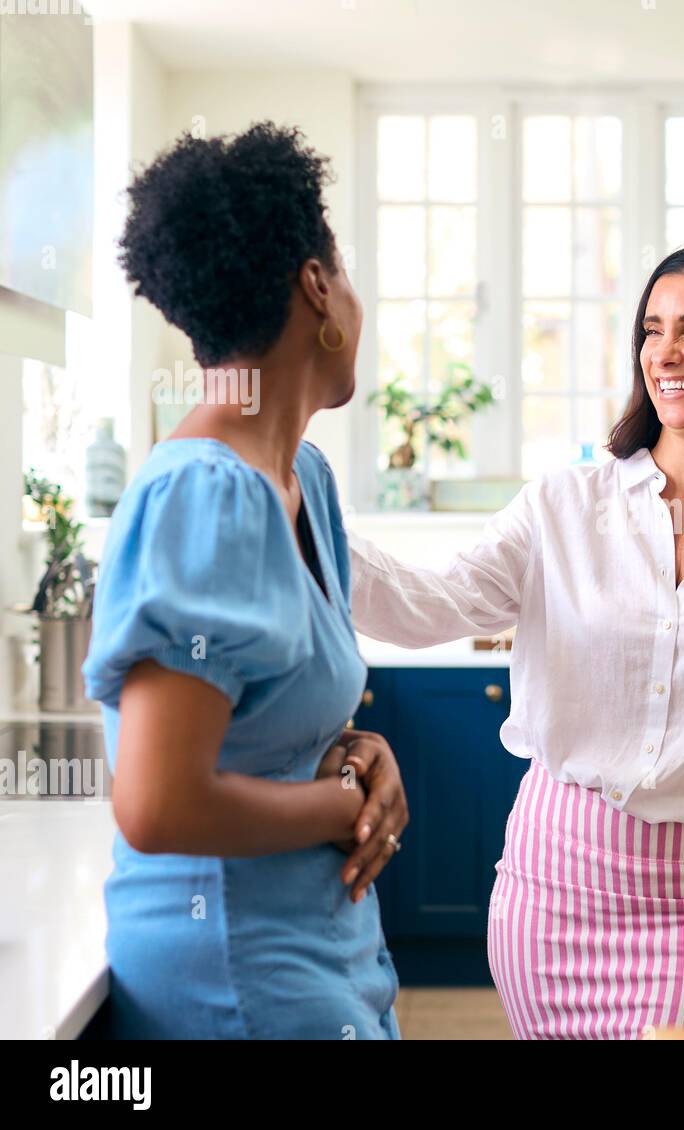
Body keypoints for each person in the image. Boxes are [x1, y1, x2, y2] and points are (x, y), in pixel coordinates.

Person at [348, 245, 684, 1038]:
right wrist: (300, 519)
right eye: (653, 331)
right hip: (547, 898)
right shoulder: (563, 503)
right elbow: (433, 603)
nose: (668, 352)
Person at [83, 123, 408, 1039]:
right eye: (341, 271)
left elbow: (268, 719)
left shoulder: (306, 482)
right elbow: (158, 802)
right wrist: (343, 804)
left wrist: (358, 751)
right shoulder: (203, 494)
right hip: (233, 975)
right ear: (316, 285)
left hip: (322, 955)